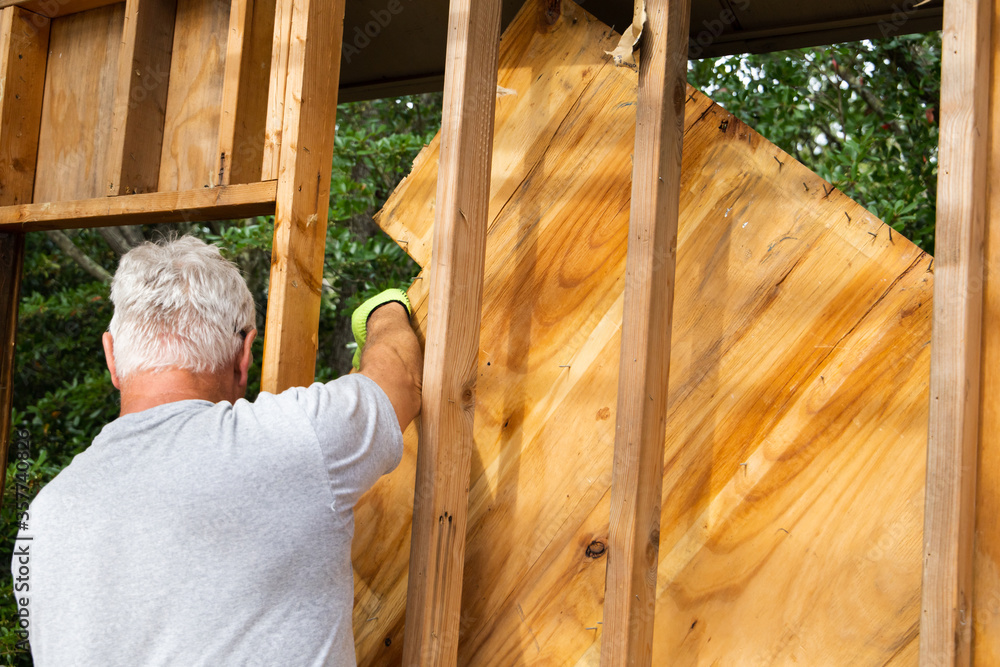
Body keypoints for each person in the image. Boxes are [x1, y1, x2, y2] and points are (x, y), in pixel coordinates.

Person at [13, 235, 422, 666]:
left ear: (111, 357)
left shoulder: (41, 518)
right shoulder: (292, 440)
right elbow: (400, 377)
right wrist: (385, 309)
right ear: (243, 355)